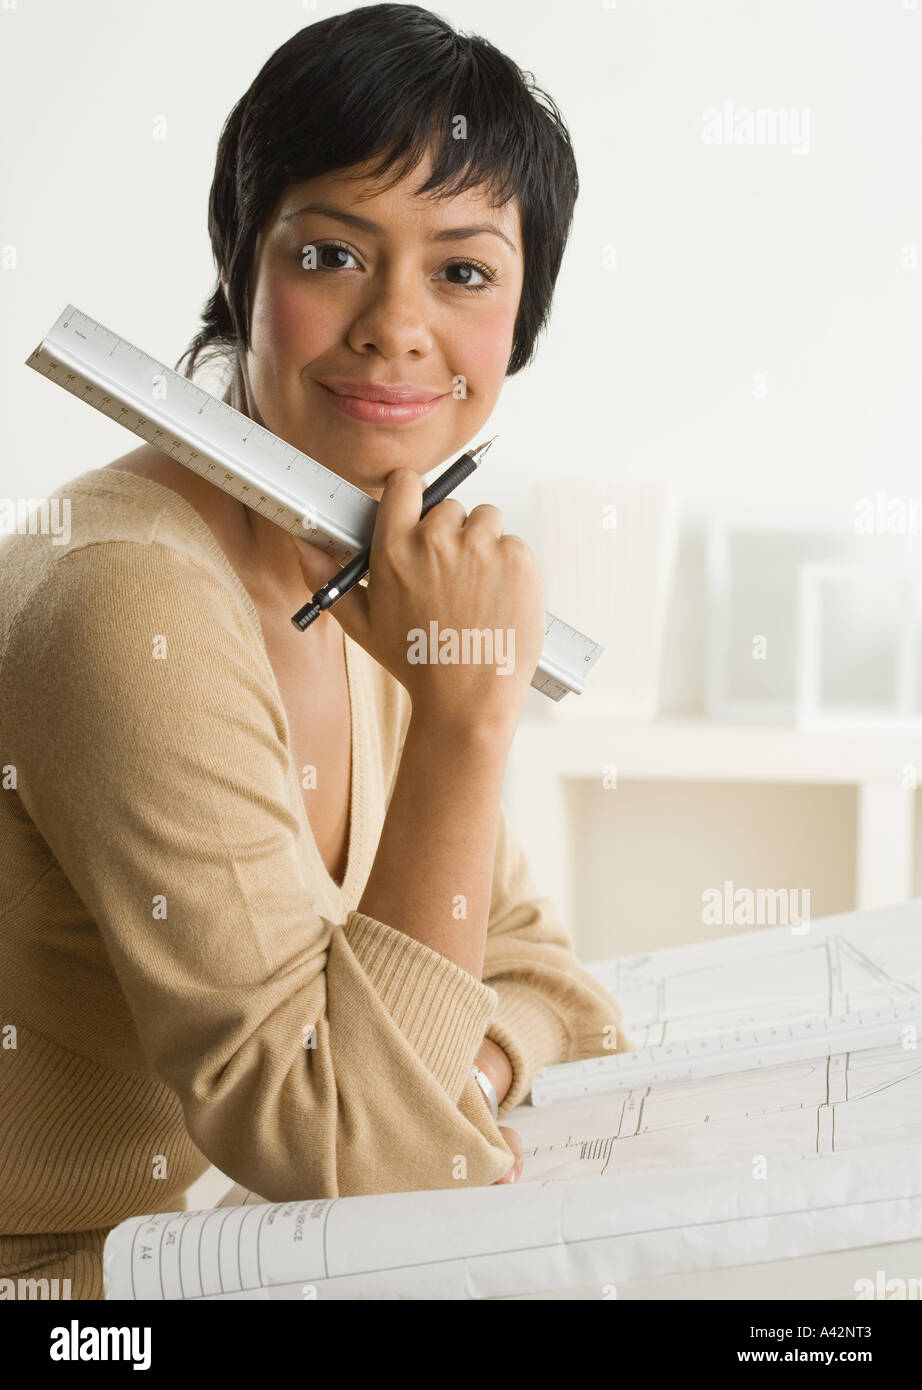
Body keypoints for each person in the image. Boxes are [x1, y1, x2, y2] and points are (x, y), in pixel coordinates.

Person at [0, 2, 630, 1301]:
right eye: (333, 253)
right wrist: (465, 720)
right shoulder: (133, 603)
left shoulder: (367, 565)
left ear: (519, 322)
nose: (395, 325)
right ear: (242, 266)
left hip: (241, 1254)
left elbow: (547, 979)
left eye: (462, 272)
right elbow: (358, 1151)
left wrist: (446, 1076)